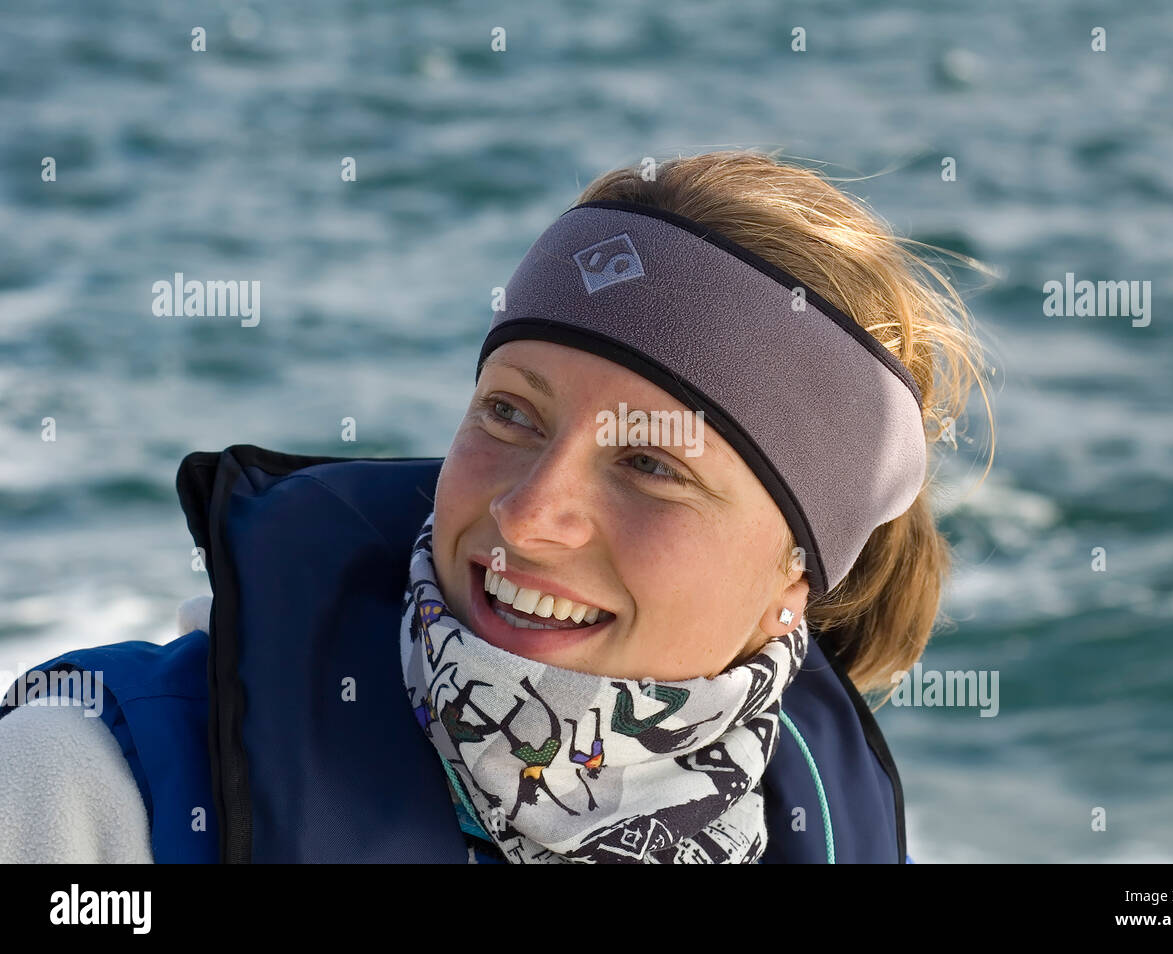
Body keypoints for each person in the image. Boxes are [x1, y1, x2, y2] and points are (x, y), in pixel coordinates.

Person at [0, 149, 992, 864]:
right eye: (511, 414)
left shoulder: (817, 829)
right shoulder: (94, 786)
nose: (527, 515)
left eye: (651, 465)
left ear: (794, 582)